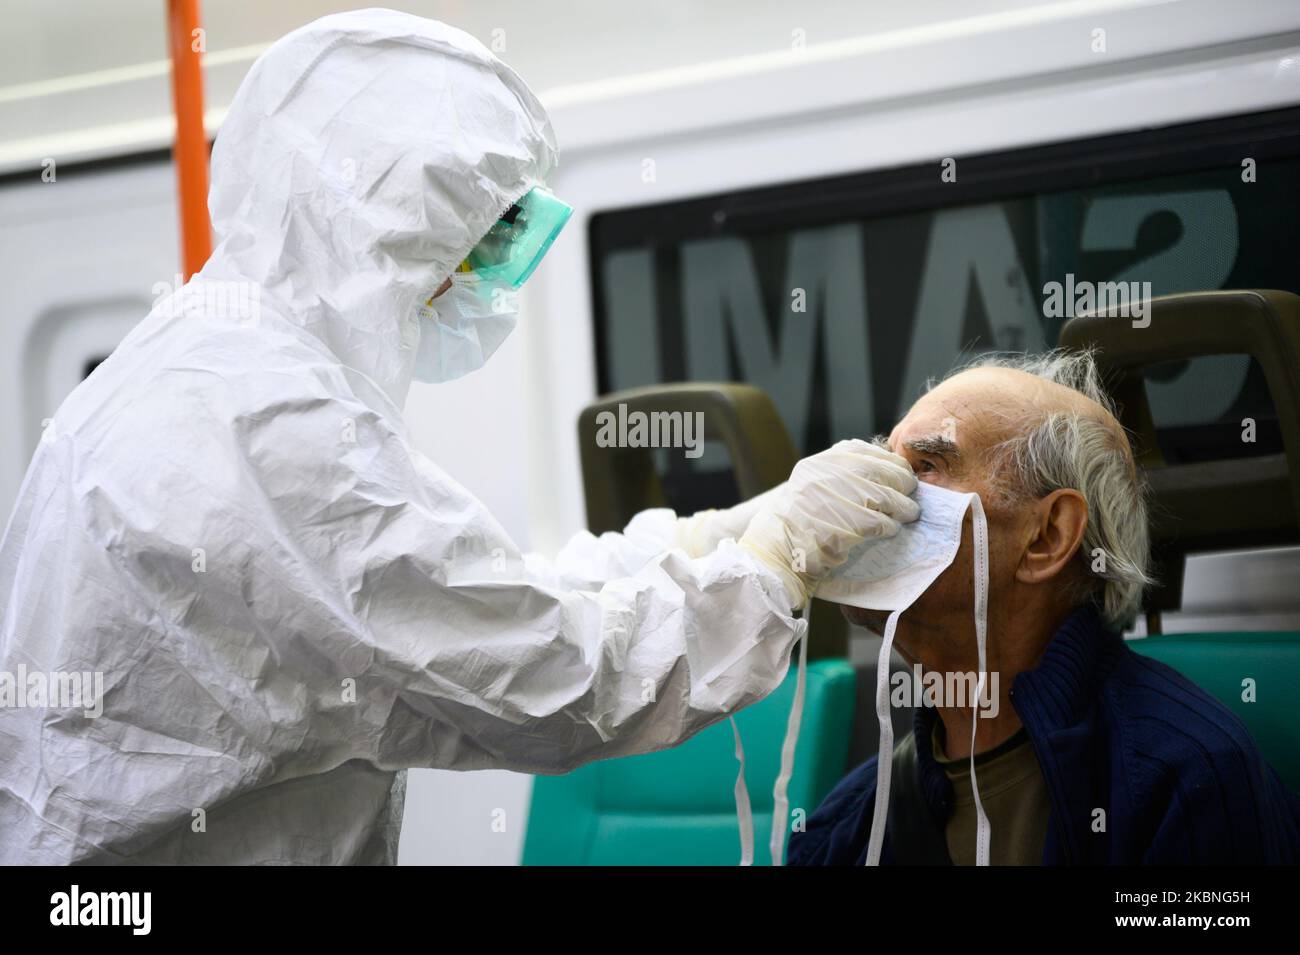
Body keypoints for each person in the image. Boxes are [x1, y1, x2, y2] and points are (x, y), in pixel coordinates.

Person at [0, 10, 919, 865]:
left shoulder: (199, 368)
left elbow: (470, 600)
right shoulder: (277, 433)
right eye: (482, 243)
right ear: (386, 230)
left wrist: (711, 538)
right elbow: (560, 680)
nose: (486, 280)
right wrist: (771, 565)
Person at [789, 350, 1300, 865]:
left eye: (925, 466)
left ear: (1047, 537)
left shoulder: (1187, 781)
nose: (868, 494)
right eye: (882, 462)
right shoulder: (849, 826)